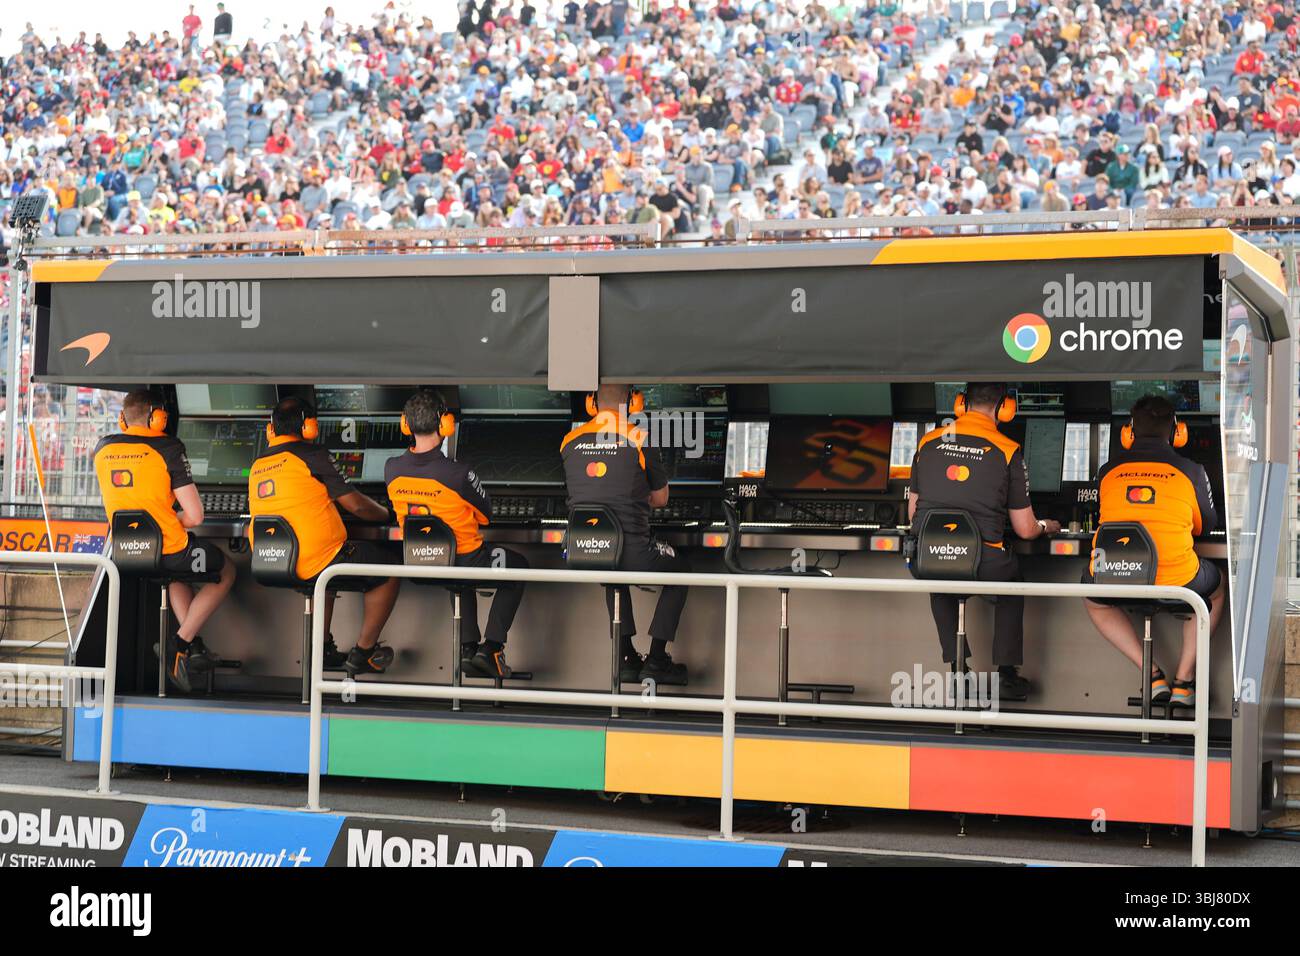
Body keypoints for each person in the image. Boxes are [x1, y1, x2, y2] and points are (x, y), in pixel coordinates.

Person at [908, 383, 1061, 699]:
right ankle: (1005, 675)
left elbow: (913, 514)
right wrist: (1048, 525)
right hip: (986, 564)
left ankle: (958, 671)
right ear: (1005, 408)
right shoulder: (1007, 450)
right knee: (1012, 584)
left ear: (961, 404)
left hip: (927, 558)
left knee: (941, 577)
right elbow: (1025, 530)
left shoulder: (928, 441)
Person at [1082, 395, 1224, 708]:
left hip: (1116, 577)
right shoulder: (1192, 471)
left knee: (1095, 600)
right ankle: (1184, 681)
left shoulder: (1108, 472)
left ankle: (1151, 673)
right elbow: (1206, 525)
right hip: (1179, 583)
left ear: (1129, 432)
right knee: (1215, 592)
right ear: (1177, 432)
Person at [93, 390, 235, 692]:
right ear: (157, 417)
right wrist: (166, 524)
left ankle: (193, 648)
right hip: (168, 551)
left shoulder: (102, 449)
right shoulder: (167, 447)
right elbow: (195, 516)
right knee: (225, 571)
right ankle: (178, 644)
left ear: (123, 418)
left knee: (177, 578)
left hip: (124, 553)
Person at [248, 397, 400, 677]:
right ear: (309, 426)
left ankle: (323, 647)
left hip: (272, 559)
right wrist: (387, 515)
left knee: (324, 573)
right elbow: (356, 505)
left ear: (271, 430)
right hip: (314, 560)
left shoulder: (259, 463)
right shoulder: (313, 454)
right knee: (388, 568)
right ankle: (364, 653)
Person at [385, 390, 529, 679]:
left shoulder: (392, 469)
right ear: (445, 425)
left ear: (405, 425)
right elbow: (487, 515)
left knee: (455, 573)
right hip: (467, 561)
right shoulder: (459, 474)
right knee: (518, 567)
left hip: (421, 562)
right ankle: (491, 649)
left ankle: (467, 649)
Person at [561, 384, 690, 685]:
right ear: (633, 402)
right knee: (682, 571)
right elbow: (660, 500)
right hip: (633, 549)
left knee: (608, 559)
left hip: (584, 546)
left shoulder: (569, 440)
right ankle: (657, 659)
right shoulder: (640, 438)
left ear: (591, 402)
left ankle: (626, 656)